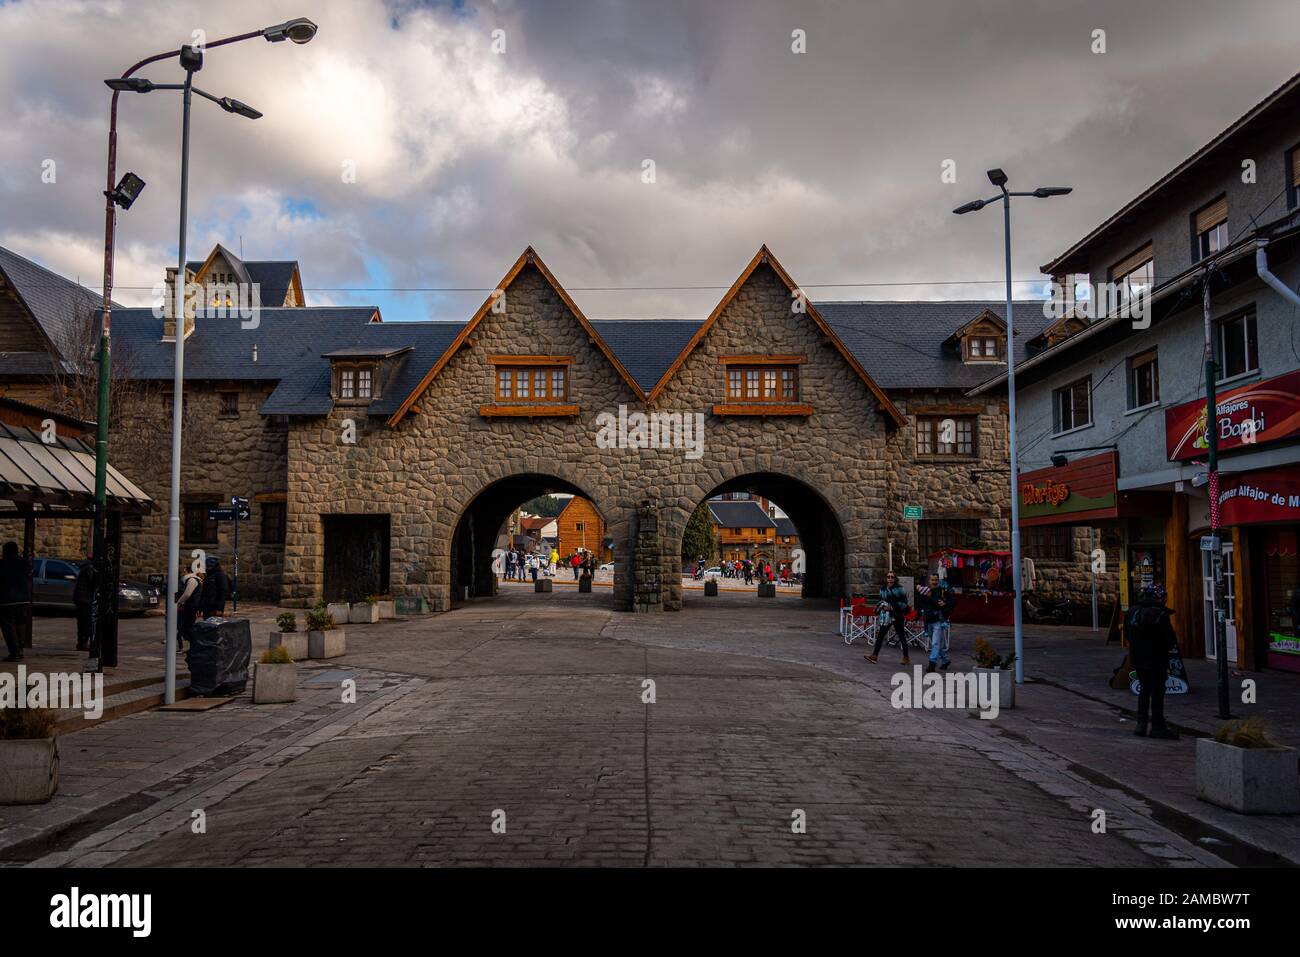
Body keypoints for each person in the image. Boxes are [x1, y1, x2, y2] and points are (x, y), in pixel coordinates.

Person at [1127, 584, 1179, 740]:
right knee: (1157, 693)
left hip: (1138, 658)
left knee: (1144, 690)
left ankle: (1141, 724)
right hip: (1157, 659)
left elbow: (1128, 636)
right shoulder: (1160, 613)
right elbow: (1170, 640)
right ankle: (1158, 726)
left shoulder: (1132, 612)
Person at [864, 571, 911, 665]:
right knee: (881, 635)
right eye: (888, 577)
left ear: (895, 578)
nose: (890, 579)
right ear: (886, 578)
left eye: (892, 577)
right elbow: (881, 600)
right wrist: (878, 607)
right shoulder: (883, 589)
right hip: (886, 616)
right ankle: (874, 655)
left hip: (897, 615)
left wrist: (892, 607)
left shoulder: (900, 589)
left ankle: (906, 657)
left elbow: (904, 603)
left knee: (901, 636)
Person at [918, 573, 955, 672]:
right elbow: (921, 605)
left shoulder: (943, 591)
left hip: (938, 621)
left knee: (935, 643)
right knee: (936, 643)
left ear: (938, 581)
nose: (934, 582)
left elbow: (953, 602)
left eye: (936, 580)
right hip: (928, 621)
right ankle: (945, 660)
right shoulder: (925, 591)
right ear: (929, 581)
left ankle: (932, 664)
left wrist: (945, 603)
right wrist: (916, 618)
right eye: (932, 580)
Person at [0, 540, 30, 662]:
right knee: (20, 624)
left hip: (7, 599)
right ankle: (20, 649)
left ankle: (14, 651)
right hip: (23, 599)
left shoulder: (2, 563)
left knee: (8, 626)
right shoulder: (24, 563)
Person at [175, 565, 203, 651]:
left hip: (191, 607)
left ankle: (195, 645)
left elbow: (187, 594)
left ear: (187, 571)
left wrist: (178, 602)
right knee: (184, 627)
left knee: (186, 627)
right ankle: (192, 646)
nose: (182, 572)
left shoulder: (191, 580)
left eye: (183, 570)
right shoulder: (189, 580)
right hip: (189, 607)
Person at [73, 556, 96, 651]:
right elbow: (93, 582)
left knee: (82, 622)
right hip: (84, 598)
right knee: (86, 622)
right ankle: (84, 642)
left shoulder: (85, 567)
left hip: (80, 598)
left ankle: (82, 642)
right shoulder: (89, 568)